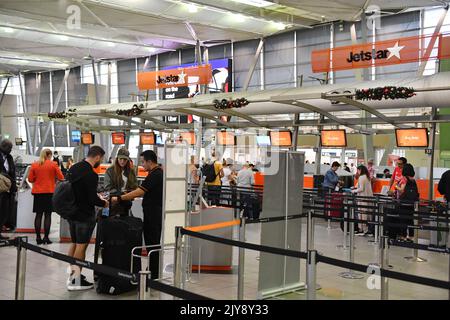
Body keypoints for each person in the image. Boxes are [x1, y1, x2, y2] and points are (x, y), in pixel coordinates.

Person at [111, 150, 163, 280]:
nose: (142, 165)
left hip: (153, 214)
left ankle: (154, 274)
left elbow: (139, 192)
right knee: (152, 242)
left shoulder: (155, 174)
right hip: (153, 213)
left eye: (143, 162)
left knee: (152, 243)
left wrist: (120, 198)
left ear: (149, 161)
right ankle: (152, 270)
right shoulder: (156, 173)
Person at [66, 146, 108, 291]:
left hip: (71, 213)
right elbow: (91, 198)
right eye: (101, 159)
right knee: (82, 246)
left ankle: (72, 274)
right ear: (97, 157)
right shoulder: (91, 173)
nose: (100, 162)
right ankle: (75, 281)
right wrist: (104, 202)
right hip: (84, 215)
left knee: (74, 243)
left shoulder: (74, 168)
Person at [28, 149, 64, 244]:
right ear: (49, 155)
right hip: (49, 192)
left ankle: (38, 238)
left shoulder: (35, 164)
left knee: (38, 215)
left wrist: (38, 179)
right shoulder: (53, 164)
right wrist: (53, 179)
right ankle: (46, 238)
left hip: (38, 193)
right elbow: (61, 177)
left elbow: (30, 179)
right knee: (48, 215)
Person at [104, 148, 138, 216]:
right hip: (112, 201)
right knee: (110, 222)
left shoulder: (131, 171)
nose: (122, 161)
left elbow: (135, 186)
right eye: (120, 159)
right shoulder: (110, 170)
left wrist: (129, 193)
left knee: (124, 222)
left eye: (125, 159)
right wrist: (121, 193)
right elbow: (107, 187)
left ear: (128, 160)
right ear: (117, 159)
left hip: (126, 201)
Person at [394, 163, 419, 242]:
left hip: (403, 202)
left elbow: (401, 190)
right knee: (410, 220)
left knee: (403, 220)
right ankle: (411, 236)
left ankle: (403, 236)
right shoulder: (413, 180)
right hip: (411, 203)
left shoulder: (404, 179)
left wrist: (396, 186)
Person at [0, 139, 16, 240]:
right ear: (3, 146)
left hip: (7, 189)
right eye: (9, 148)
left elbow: (12, 171)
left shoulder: (9, 157)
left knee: (4, 212)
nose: (10, 150)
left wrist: (13, 186)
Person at [351, 165, 373, 236]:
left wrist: (354, 191)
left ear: (360, 170)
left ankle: (363, 230)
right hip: (368, 198)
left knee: (362, 214)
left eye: (358, 170)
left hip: (362, 198)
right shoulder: (367, 177)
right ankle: (367, 230)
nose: (357, 172)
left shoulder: (361, 177)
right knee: (367, 214)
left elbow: (361, 189)